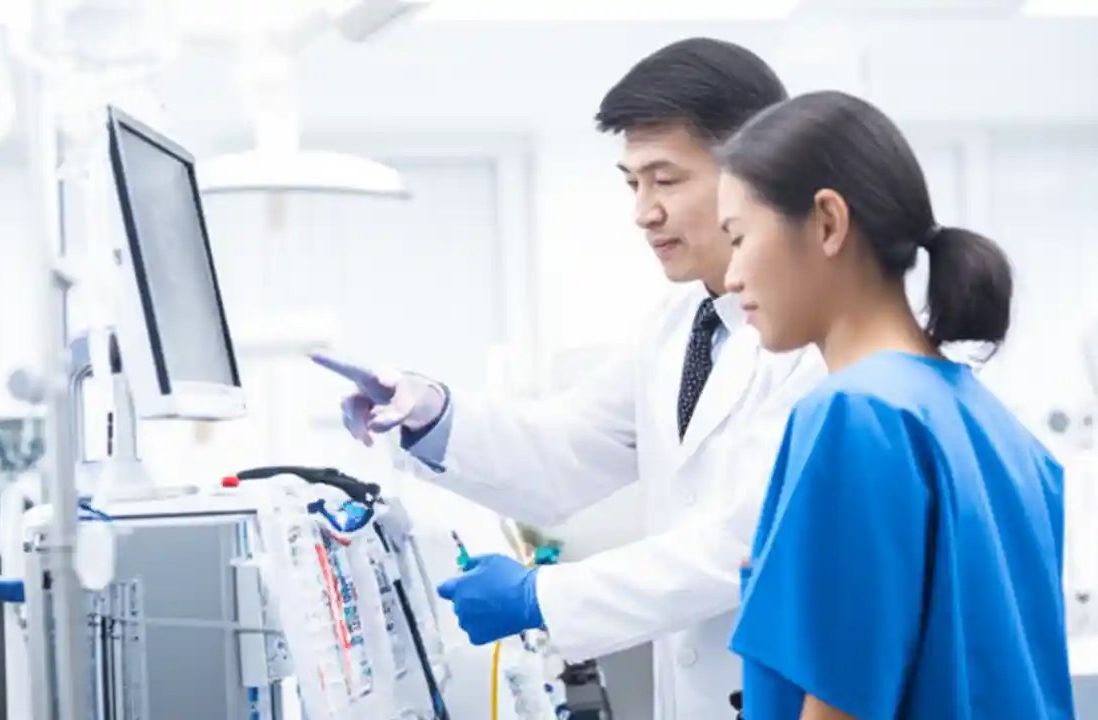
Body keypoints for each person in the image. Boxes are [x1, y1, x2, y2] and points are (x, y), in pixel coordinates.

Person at [314, 38, 825, 718]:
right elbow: (562, 452)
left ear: (755, 171)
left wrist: (539, 598)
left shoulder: (815, 339)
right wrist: (430, 413)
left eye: (665, 180)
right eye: (632, 183)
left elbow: (739, 544)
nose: (643, 210)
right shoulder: (677, 327)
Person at [714, 90, 1074, 719]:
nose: (731, 276)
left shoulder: (855, 415)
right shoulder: (1007, 437)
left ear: (827, 223)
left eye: (739, 238)